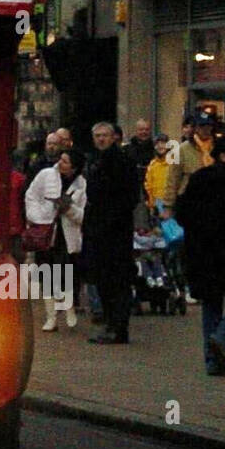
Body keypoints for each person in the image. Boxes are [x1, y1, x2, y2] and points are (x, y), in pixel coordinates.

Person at [175, 135, 225, 376]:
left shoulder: (198, 178)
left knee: (211, 304)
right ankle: (223, 339)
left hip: (201, 254)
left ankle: (212, 360)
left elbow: (182, 213)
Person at [84, 120, 140, 344]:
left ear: (113, 137)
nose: (101, 139)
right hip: (99, 228)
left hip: (115, 230)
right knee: (103, 279)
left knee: (117, 279)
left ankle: (118, 326)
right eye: (97, 136)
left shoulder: (123, 161)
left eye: (104, 135)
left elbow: (129, 196)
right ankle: (111, 323)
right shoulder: (95, 161)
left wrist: (112, 218)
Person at [25, 148, 86, 332]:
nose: (61, 163)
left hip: (66, 237)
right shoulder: (45, 175)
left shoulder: (81, 184)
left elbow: (83, 214)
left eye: (66, 161)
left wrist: (68, 209)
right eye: (61, 159)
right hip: (45, 232)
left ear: (74, 168)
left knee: (65, 275)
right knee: (45, 274)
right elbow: (31, 197)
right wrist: (37, 217)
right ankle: (51, 317)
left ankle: (68, 308)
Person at [163, 111, 216, 215]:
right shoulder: (181, 150)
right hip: (189, 201)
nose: (206, 130)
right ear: (195, 128)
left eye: (209, 126)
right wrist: (168, 206)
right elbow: (173, 178)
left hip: (212, 201)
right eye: (202, 126)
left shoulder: (216, 148)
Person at [144, 133, 173, 212]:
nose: (160, 146)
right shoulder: (152, 164)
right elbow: (148, 185)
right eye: (157, 144)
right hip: (157, 203)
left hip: (171, 202)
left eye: (163, 143)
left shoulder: (174, 163)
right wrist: (151, 204)